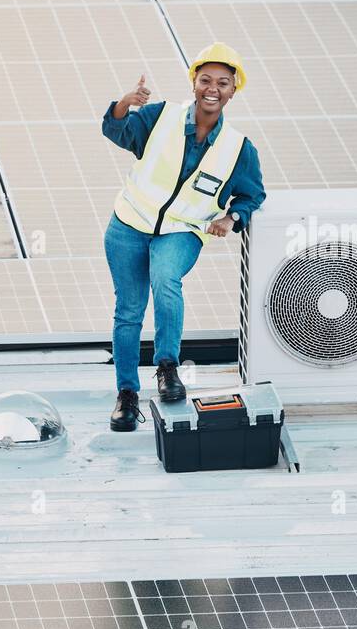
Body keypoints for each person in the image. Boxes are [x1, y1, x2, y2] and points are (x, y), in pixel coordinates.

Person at [100, 42, 266, 432]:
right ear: (193, 82)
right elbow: (117, 130)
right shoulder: (161, 117)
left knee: (165, 280)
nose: (213, 88)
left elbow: (252, 194)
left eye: (223, 83)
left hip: (183, 231)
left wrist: (232, 218)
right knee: (129, 310)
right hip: (128, 224)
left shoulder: (239, 148)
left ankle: (167, 368)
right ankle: (126, 395)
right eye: (205, 79)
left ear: (233, 90)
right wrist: (127, 101)